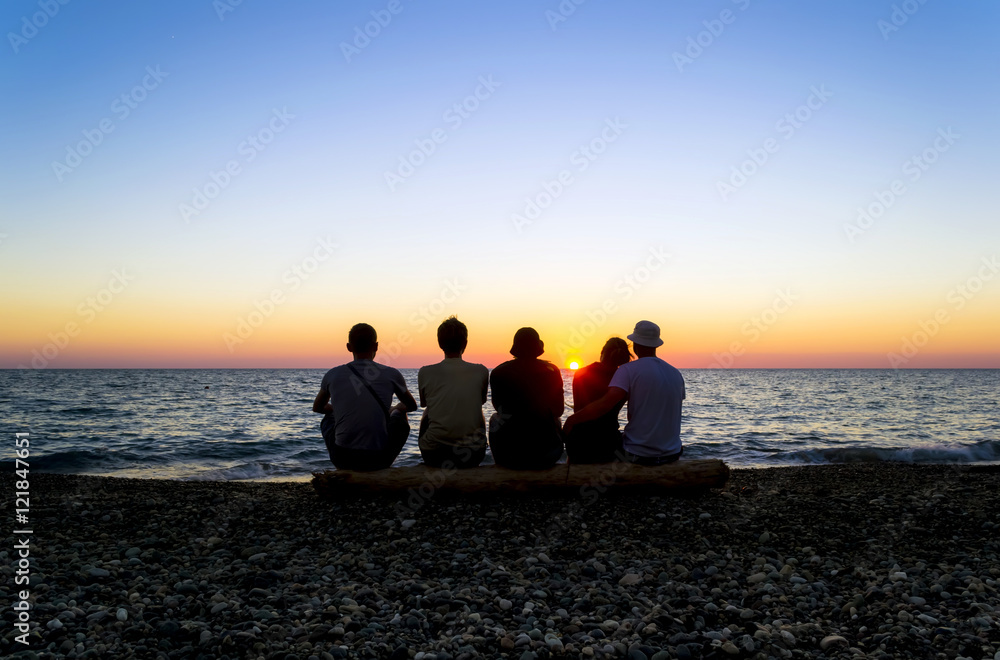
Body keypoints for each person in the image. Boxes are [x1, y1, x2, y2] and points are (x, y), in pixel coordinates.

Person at [563, 320, 685, 465]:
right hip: (672, 453)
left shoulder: (628, 370)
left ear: (635, 344)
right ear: (657, 344)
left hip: (637, 454)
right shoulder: (675, 373)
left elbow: (604, 405)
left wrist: (571, 420)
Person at [312, 323, 417, 471]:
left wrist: (338, 409)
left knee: (328, 417)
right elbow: (412, 406)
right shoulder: (392, 374)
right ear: (376, 346)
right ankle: (385, 466)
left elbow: (317, 408)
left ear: (349, 347)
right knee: (401, 415)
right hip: (379, 460)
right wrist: (394, 409)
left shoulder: (332, 374)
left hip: (342, 459)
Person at [417, 317, 490, 469]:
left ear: (440, 343)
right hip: (472, 455)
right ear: (465, 343)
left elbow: (425, 405)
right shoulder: (481, 371)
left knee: (427, 411)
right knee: (479, 411)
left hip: (434, 455)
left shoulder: (425, 372)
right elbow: (481, 401)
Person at [488, 327, 565, 469]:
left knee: (494, 418)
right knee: (556, 419)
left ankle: (498, 464)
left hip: (509, 456)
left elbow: (498, 408)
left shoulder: (499, 372)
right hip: (546, 456)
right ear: (538, 348)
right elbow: (559, 410)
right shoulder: (552, 370)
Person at [565, 337, 632, 463]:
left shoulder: (581, 373)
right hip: (608, 444)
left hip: (580, 443)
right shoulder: (624, 380)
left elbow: (578, 408)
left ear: (602, 353)